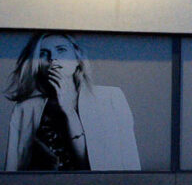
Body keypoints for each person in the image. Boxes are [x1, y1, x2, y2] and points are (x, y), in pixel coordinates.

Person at [5, 31, 140, 172]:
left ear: (77, 59)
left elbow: (127, 162)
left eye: (61, 50)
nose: (53, 58)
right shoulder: (25, 109)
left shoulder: (111, 98)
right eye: (43, 53)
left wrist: (68, 110)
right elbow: (13, 171)